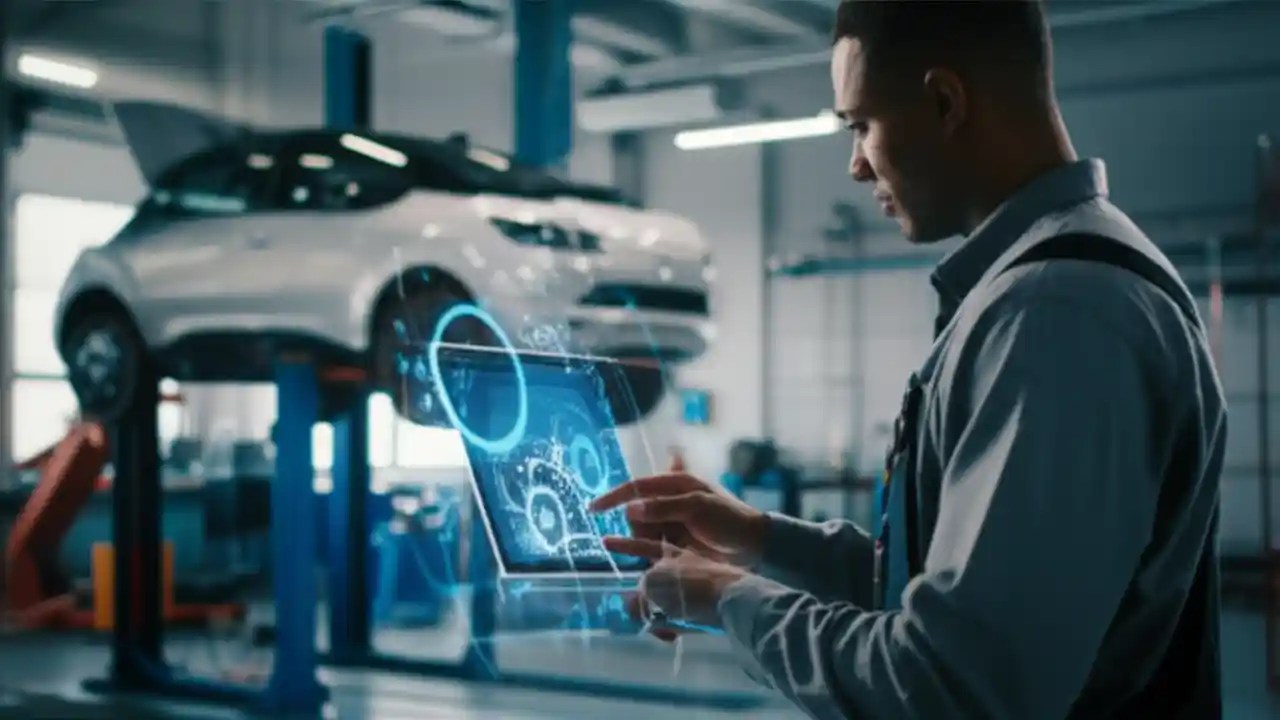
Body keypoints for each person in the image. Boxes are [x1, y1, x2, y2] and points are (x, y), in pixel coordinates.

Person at [590, 1, 1227, 718]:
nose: (857, 166)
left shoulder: (1057, 313)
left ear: (946, 102)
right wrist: (758, 538)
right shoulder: (1054, 285)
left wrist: (728, 600)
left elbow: (955, 687)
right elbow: (954, 592)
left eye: (861, 125)